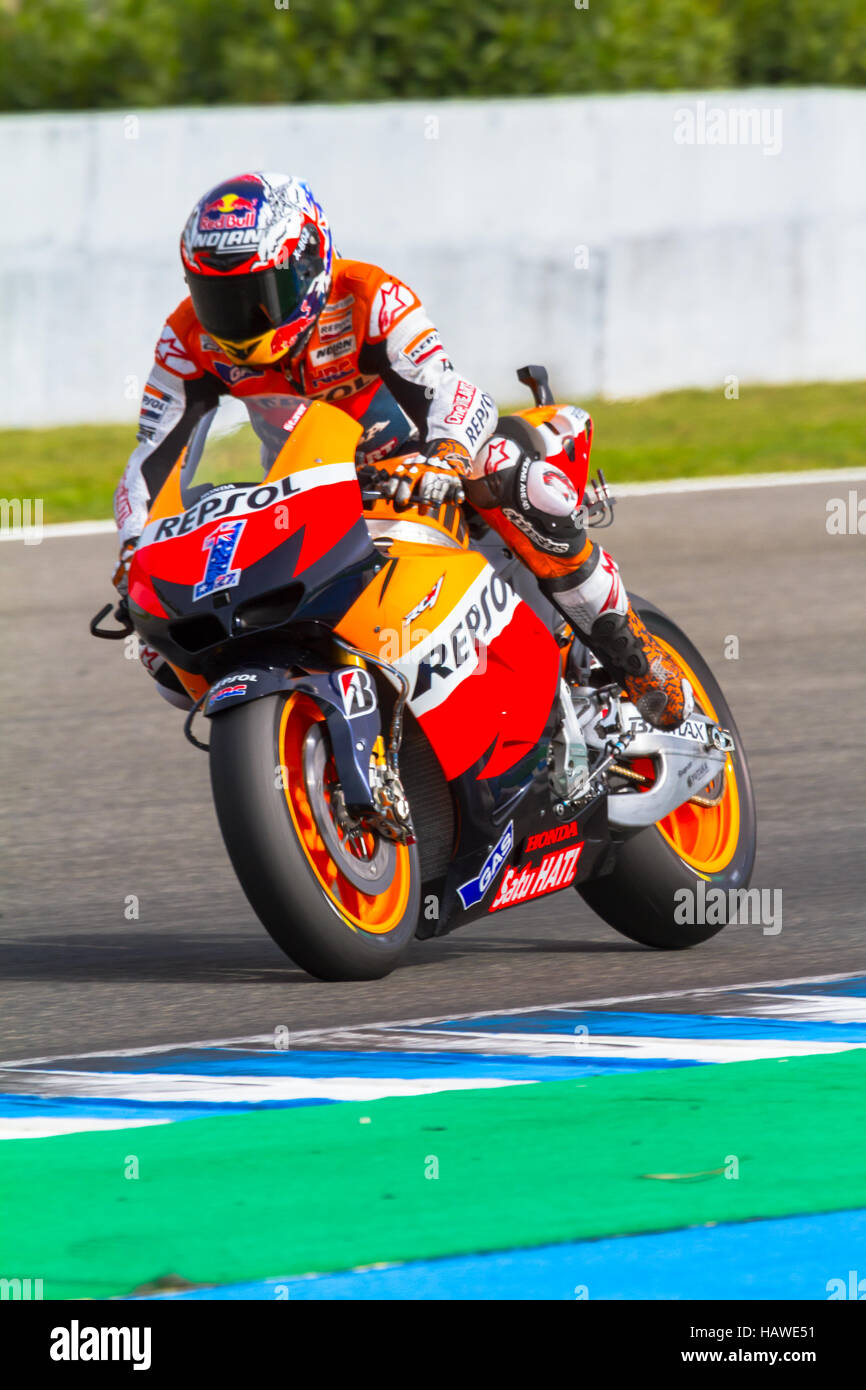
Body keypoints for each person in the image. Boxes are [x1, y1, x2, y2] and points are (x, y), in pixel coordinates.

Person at [113, 171, 691, 728]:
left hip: (425, 472)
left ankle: (635, 661)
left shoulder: (368, 296)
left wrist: (443, 457)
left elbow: (452, 390)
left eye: (259, 294)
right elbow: (153, 455)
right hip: (308, 490)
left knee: (513, 478)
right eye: (220, 298)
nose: (241, 319)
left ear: (309, 263)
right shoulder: (187, 337)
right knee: (162, 640)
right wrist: (135, 549)